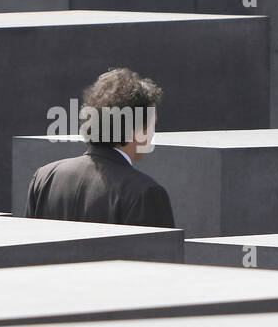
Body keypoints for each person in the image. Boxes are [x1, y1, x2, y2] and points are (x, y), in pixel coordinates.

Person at [25, 68, 176, 229]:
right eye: (153, 125)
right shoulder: (146, 194)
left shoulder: (44, 178)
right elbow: (157, 253)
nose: (153, 134)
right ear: (135, 132)